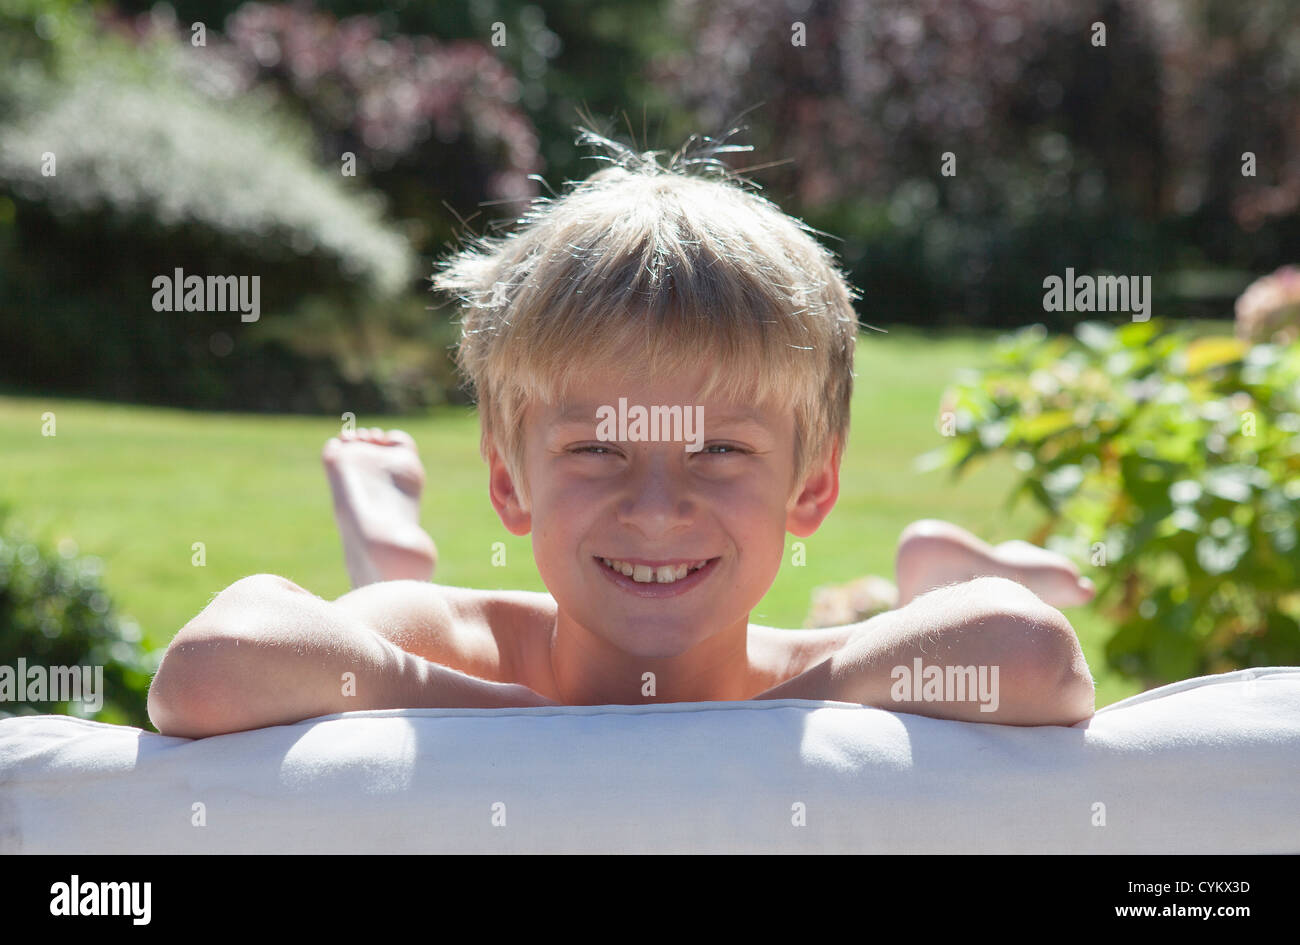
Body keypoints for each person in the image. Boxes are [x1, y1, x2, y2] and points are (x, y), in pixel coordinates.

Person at [147, 128, 1096, 738]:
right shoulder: (460, 647)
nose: (654, 510)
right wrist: (523, 721)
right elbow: (209, 670)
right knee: (390, 601)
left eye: (719, 450)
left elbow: (1037, 659)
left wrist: (731, 727)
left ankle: (926, 574)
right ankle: (388, 551)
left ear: (812, 486)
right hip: (482, 651)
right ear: (509, 484)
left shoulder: (807, 675)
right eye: (596, 449)